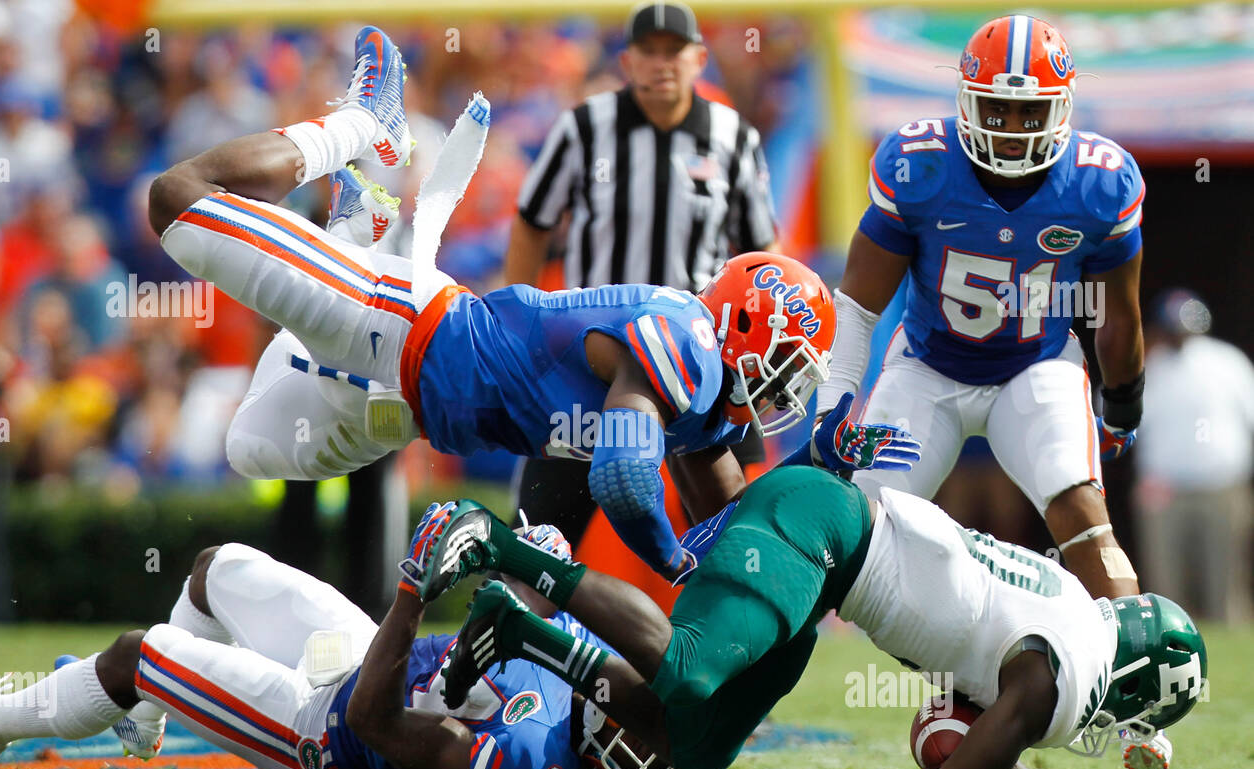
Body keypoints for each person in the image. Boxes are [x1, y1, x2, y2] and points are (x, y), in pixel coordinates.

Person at [146, 26, 916, 582]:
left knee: (251, 446)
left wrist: (821, 469)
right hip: (409, 327)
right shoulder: (685, 339)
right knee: (177, 197)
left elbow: (739, 525)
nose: (785, 389)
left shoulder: (706, 411)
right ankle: (359, 125)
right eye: (788, 365)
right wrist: (677, 563)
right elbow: (622, 480)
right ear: (746, 326)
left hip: (405, 408)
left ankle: (357, 229)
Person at [411, 467, 1208, 769]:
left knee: (689, 747)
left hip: (829, 568)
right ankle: (497, 543)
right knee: (687, 670)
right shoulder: (1060, 673)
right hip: (822, 530)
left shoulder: (1071, 616)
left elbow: (952, 743)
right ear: (1133, 679)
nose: (1120, 722)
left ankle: (517, 630)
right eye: (1138, 709)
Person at [0, 526, 703, 769]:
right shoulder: (584, 653)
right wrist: (530, 557)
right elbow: (549, 585)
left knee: (136, 653)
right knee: (215, 567)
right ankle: (144, 719)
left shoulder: (530, 758)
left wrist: (413, 592)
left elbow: (377, 723)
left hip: (325, 736)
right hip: (370, 657)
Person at [813, 15, 1146, 604]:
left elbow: (1118, 316)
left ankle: (1134, 652)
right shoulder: (920, 165)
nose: (1012, 129)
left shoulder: (1099, 184)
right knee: (855, 530)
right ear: (967, 101)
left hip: (1036, 365)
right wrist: (831, 406)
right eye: (996, 109)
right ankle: (774, 644)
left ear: (1061, 109)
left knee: (1081, 509)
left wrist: (1121, 407)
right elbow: (859, 306)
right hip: (927, 367)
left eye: (1030, 113)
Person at [506, 1, 780, 568]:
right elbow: (532, 222)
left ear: (698, 58)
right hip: (592, 356)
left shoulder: (733, 137)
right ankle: (511, 616)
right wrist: (518, 329)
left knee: (735, 528)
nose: (661, 63)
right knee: (542, 530)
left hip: (700, 360)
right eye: (648, 51)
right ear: (627, 61)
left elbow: (762, 256)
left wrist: (761, 359)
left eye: (673, 51)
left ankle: (736, 618)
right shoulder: (585, 128)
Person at [1134, 289, 1254, 624]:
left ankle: (1230, 639)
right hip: (1164, 490)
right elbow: (1118, 419)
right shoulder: (1150, 366)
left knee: (1225, 584)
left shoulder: (1227, 361)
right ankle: (1170, 640)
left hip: (1222, 485)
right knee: (1166, 588)